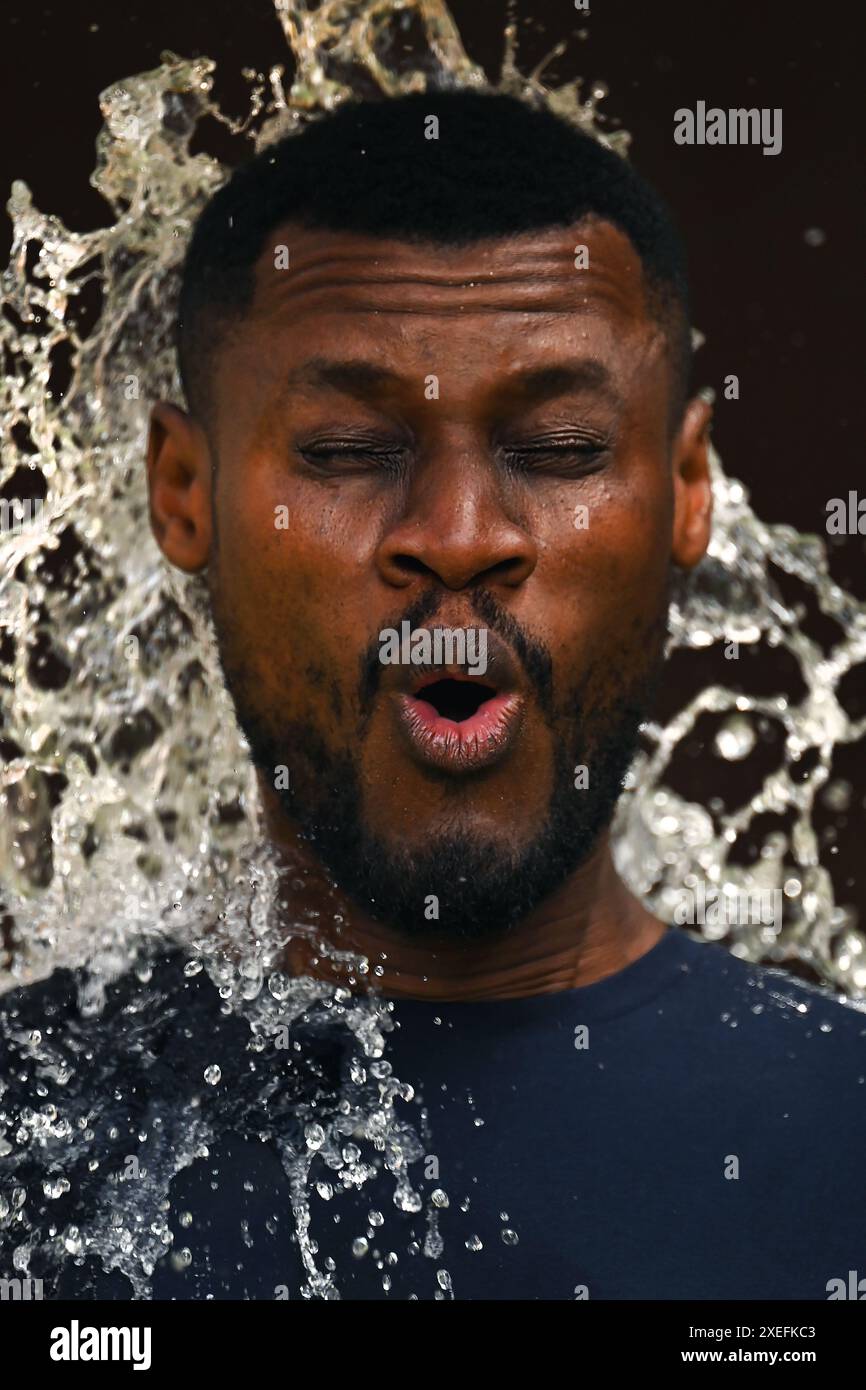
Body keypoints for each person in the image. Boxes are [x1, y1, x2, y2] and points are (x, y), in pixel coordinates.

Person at [1, 89, 863, 1302]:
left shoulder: (844, 1144)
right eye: (349, 453)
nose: (457, 536)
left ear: (684, 490)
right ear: (183, 492)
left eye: (559, 450)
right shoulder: (23, 1143)